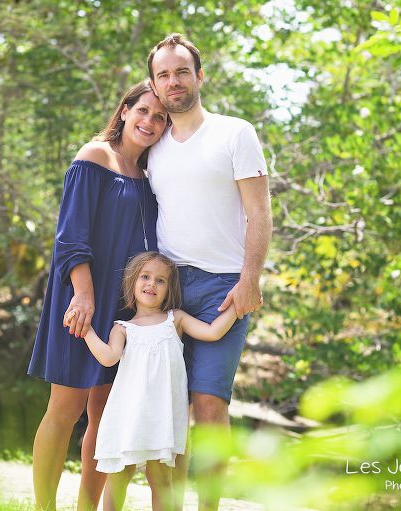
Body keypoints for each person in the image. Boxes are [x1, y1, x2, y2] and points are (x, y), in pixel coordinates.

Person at [27, 80, 169, 511]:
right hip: (82, 296)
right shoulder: (94, 157)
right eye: (142, 110)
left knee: (105, 416)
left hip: (122, 308)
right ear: (124, 110)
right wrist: (84, 296)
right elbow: (70, 237)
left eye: (160, 117)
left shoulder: (150, 176)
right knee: (64, 409)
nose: (149, 121)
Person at [146, 33, 273, 511]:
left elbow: (259, 213)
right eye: (163, 75)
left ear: (200, 76)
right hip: (167, 289)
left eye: (182, 71)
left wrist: (250, 279)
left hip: (224, 286)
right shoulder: (152, 144)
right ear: (154, 85)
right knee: (169, 408)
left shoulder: (235, 133)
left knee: (209, 404)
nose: (173, 81)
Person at [74, 251, 237, 511]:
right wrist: (87, 331)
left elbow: (213, 332)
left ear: (169, 289)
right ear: (133, 282)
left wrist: (238, 304)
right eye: (146, 277)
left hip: (162, 418)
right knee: (119, 476)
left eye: (160, 281)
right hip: (129, 414)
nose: (152, 284)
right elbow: (108, 357)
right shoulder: (122, 328)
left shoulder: (176, 319)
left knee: (161, 480)